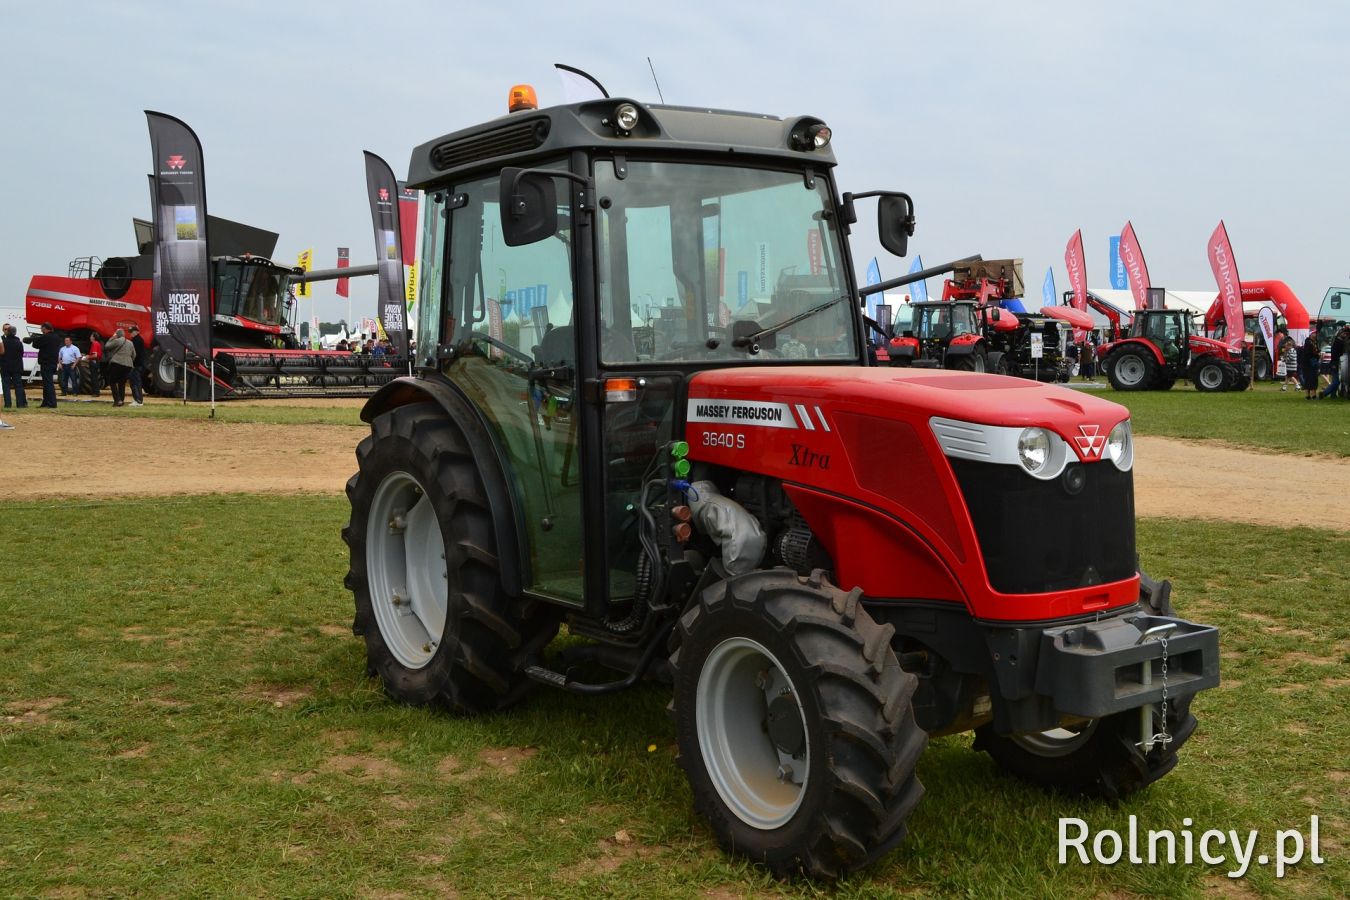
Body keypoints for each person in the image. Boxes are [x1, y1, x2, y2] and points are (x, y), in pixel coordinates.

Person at [24, 322, 62, 408]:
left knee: (48, 384)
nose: (41, 330)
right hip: (52, 363)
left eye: (42, 328)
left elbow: (36, 345)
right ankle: (46, 403)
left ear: (45, 328)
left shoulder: (45, 337)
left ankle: (51, 403)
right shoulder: (56, 337)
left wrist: (33, 339)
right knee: (47, 383)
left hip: (46, 363)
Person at [103, 328, 136, 407]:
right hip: (128, 365)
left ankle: (117, 400)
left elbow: (107, 346)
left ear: (117, 334)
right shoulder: (130, 343)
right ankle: (121, 401)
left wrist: (112, 337)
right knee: (122, 383)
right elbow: (134, 355)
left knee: (112, 382)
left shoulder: (117, 340)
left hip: (117, 363)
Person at [1, 323, 28, 409]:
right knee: (18, 386)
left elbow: (1, 354)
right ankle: (20, 404)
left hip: (5, 366)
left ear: (8, 332)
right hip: (17, 366)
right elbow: (21, 354)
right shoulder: (19, 342)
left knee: (6, 386)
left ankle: (8, 404)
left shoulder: (3, 342)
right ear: (15, 333)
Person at [127, 325, 148, 406]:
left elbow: (135, 354)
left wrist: (131, 362)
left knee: (135, 383)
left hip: (136, 365)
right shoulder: (138, 340)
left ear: (136, 332)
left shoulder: (137, 340)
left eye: (131, 332)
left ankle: (138, 400)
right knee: (135, 382)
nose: (130, 334)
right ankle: (138, 400)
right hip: (138, 365)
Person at [1298, 329, 1321, 399]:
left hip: (1312, 364)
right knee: (1309, 379)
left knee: (1313, 379)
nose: (1316, 335)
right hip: (1308, 365)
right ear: (1311, 334)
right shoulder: (1308, 343)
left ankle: (1313, 395)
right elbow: (1308, 354)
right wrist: (1317, 355)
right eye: (1315, 333)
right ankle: (1308, 395)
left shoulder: (1315, 342)